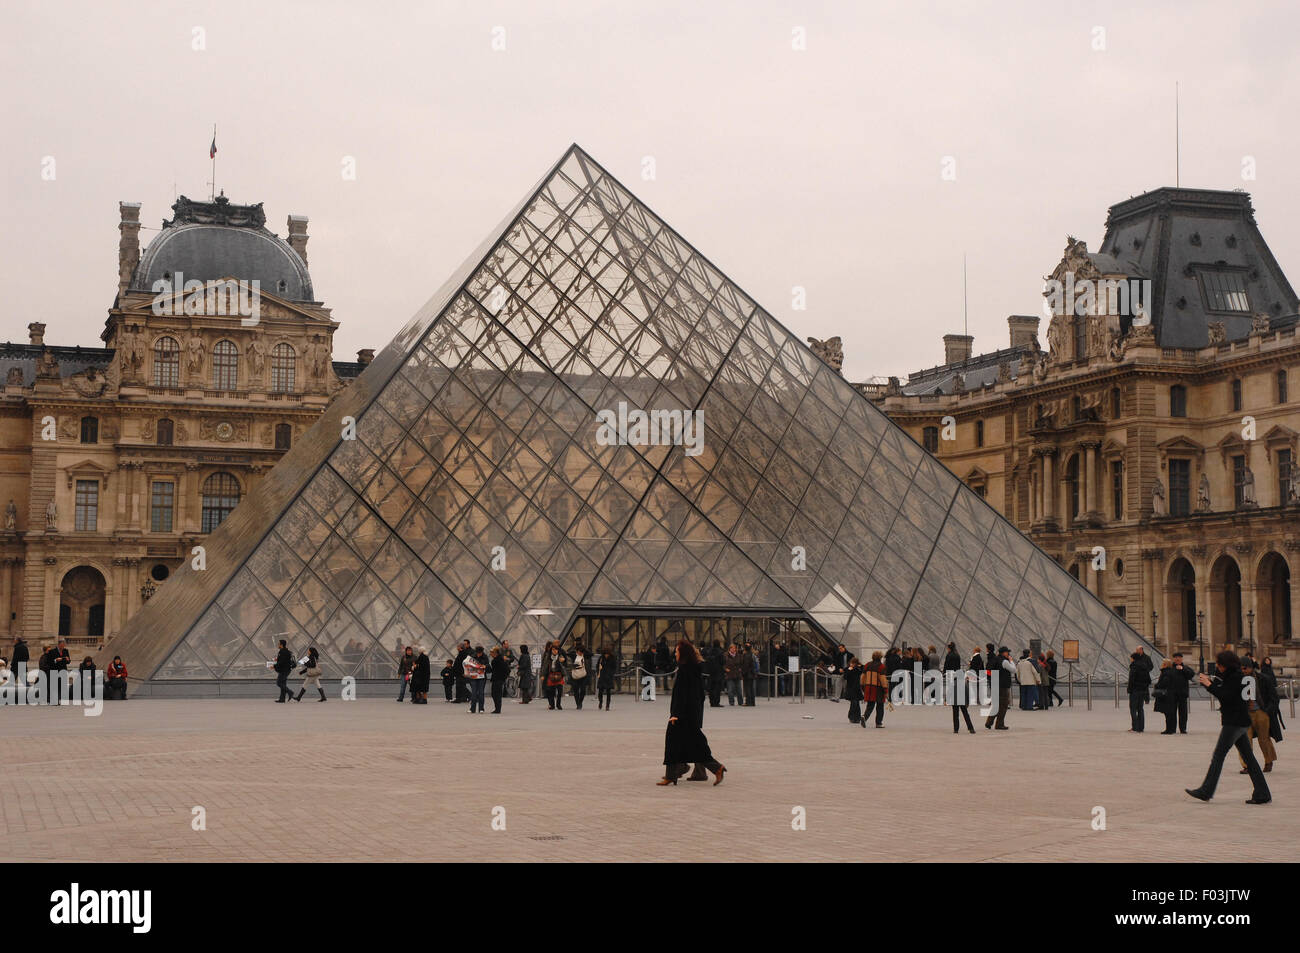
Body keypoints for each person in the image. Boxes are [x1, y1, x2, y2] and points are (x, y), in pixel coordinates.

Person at [1186, 651, 1271, 804]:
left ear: (1226, 664)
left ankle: (1206, 790)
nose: (1217, 666)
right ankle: (1262, 792)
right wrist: (1210, 683)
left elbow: (1226, 697)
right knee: (1249, 759)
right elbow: (1224, 690)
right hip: (1239, 721)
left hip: (1234, 722)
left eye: (1219, 664)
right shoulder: (1233, 676)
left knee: (1218, 756)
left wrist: (1208, 684)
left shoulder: (1235, 677)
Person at [658, 640, 726, 786]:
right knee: (688, 743)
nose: (675, 654)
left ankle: (715, 768)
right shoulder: (692, 668)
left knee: (682, 743)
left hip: (683, 714)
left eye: (676, 651)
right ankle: (674, 773)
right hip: (690, 713)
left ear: (683, 653)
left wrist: (676, 713)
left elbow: (683, 694)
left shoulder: (685, 670)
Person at [1238, 658, 1278, 774]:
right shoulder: (1238, 680)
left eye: (1245, 668)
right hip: (1245, 713)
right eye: (1241, 668)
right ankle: (1247, 765)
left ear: (1251, 667)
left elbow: (1274, 698)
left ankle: (1269, 761)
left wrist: (1267, 711)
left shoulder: (1263, 679)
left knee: (1264, 739)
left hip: (1261, 712)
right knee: (1245, 739)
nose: (1243, 671)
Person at [944, 642, 974, 734]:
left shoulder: (949, 656)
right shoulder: (957, 655)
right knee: (964, 710)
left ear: (949, 648)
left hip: (953, 679)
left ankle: (956, 728)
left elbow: (946, 667)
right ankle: (970, 728)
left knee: (955, 710)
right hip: (959, 684)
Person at [985, 647, 1014, 730]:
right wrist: (1011, 661)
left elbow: (988, 670)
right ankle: (999, 724)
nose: (1008, 654)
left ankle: (989, 722)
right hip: (1003, 686)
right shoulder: (1004, 661)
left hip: (995, 684)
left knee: (996, 705)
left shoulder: (994, 659)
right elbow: (1014, 670)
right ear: (1004, 653)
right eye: (1007, 652)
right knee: (1004, 705)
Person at [860, 651, 887, 728]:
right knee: (880, 706)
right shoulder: (881, 667)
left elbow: (862, 677)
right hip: (878, 688)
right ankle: (878, 723)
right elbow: (883, 679)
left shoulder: (867, 665)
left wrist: (862, 686)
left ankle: (864, 717)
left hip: (868, 687)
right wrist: (885, 689)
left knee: (870, 705)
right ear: (880, 657)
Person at [1126, 651, 1150, 732]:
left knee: (1133, 709)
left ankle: (1135, 727)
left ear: (1133, 659)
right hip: (1142, 690)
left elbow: (1131, 680)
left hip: (1135, 691)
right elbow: (1148, 680)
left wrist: (1129, 689)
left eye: (1131, 659)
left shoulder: (1134, 667)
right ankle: (1141, 727)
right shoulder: (1145, 667)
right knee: (1140, 709)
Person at [542, 643, 565, 710]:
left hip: (559, 675)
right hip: (551, 675)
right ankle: (552, 705)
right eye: (553, 650)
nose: (555, 651)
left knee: (560, 691)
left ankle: (558, 704)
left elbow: (565, 664)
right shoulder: (548, 657)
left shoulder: (560, 657)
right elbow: (545, 666)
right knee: (551, 691)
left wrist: (563, 661)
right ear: (551, 650)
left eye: (556, 650)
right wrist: (543, 675)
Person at [465, 646, 488, 713]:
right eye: (478, 653)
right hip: (474, 677)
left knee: (481, 693)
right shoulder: (472, 656)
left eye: (480, 653)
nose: (478, 655)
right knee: (474, 693)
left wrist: (485, 666)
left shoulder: (485, 657)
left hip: (481, 677)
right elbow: (467, 664)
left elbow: (488, 666)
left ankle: (481, 708)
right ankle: (472, 708)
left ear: (482, 652)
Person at [569, 643, 592, 709]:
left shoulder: (585, 655)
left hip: (583, 675)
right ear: (577, 651)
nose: (581, 653)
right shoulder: (573, 655)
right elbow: (567, 653)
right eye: (580, 651)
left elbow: (591, 654)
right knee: (575, 690)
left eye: (582, 651)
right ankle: (578, 704)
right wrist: (575, 648)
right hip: (575, 676)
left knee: (583, 690)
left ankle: (580, 702)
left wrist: (585, 649)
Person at [489, 646, 510, 714]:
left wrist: (503, 677)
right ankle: (497, 708)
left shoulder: (498, 660)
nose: (490, 654)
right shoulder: (499, 659)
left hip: (498, 679)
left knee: (496, 694)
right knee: (495, 694)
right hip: (497, 679)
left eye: (491, 653)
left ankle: (498, 709)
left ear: (495, 653)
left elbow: (506, 670)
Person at [704, 640, 724, 707]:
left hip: (711, 673)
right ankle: (716, 702)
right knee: (717, 688)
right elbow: (722, 662)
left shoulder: (709, 651)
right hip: (718, 672)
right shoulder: (720, 652)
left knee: (711, 688)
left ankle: (711, 702)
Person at [596, 646, 616, 710]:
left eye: (607, 654)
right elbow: (597, 665)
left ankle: (607, 705)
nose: (606, 655)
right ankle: (600, 702)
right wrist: (598, 672)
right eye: (605, 654)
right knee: (600, 691)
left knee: (608, 692)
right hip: (602, 676)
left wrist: (611, 674)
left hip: (609, 677)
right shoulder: (601, 658)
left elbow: (614, 667)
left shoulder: (613, 658)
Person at [844, 655, 862, 724]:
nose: (853, 664)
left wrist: (859, 666)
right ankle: (851, 717)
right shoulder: (847, 669)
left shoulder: (858, 669)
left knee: (856, 703)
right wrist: (849, 670)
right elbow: (845, 677)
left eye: (854, 663)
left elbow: (863, 670)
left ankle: (857, 718)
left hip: (857, 688)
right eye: (852, 663)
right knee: (854, 703)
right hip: (850, 688)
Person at [453, 639, 472, 703]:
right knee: (460, 686)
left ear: (460, 647)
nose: (456, 648)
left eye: (457, 647)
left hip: (460, 673)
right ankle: (459, 698)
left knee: (461, 686)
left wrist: (463, 672)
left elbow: (462, 664)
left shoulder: (462, 654)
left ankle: (470, 696)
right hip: (460, 672)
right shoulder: (462, 653)